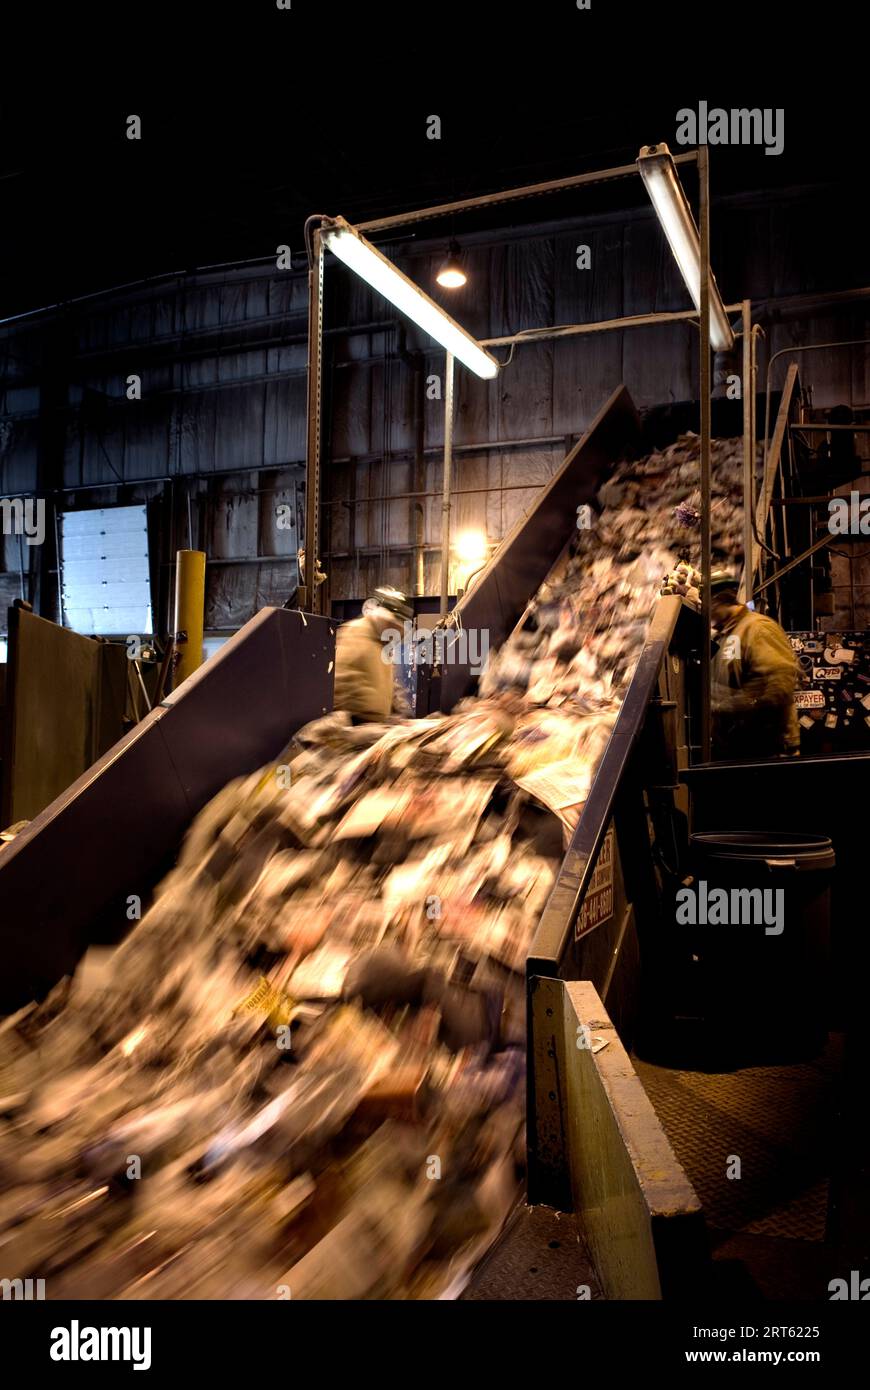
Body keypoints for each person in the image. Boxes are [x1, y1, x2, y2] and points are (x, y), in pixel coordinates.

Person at [706, 569, 800, 760]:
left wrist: (726, 704)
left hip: (768, 750)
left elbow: (779, 685)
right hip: (740, 748)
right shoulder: (726, 635)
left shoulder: (757, 629)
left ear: (716, 601)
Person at [332, 586, 414, 722]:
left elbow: (391, 684)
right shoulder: (355, 634)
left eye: (397, 627)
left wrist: (402, 711)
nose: (394, 630)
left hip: (377, 722)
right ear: (381, 618)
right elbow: (339, 681)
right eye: (391, 624)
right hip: (356, 722)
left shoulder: (384, 644)